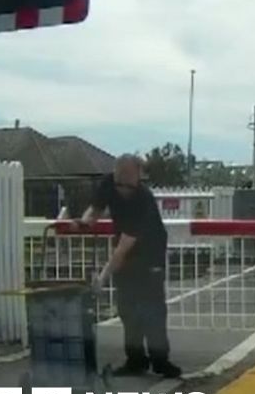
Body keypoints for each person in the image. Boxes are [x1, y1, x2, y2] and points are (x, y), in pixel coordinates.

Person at [77, 154, 181, 378]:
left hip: (149, 253)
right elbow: (95, 208)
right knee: (127, 309)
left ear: (138, 179)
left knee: (152, 311)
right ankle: (135, 360)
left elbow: (124, 248)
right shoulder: (108, 184)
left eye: (130, 186)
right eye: (120, 185)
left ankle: (160, 361)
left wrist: (103, 278)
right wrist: (84, 223)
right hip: (125, 250)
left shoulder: (143, 200)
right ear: (115, 176)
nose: (124, 190)